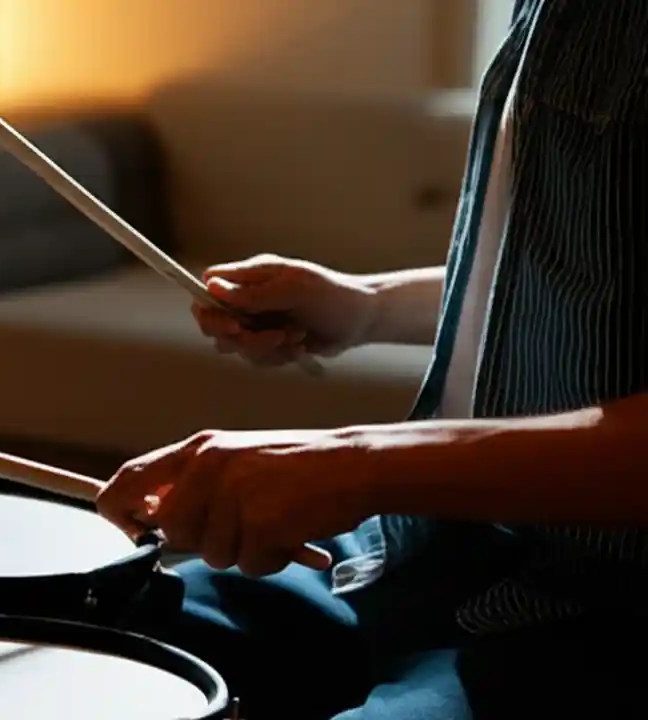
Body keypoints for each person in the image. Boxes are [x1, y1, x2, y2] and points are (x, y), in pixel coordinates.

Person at [96, 2, 648, 718]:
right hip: (432, 541)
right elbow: (563, 279)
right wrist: (367, 305)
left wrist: (356, 463)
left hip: (601, 615)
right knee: (82, 636)